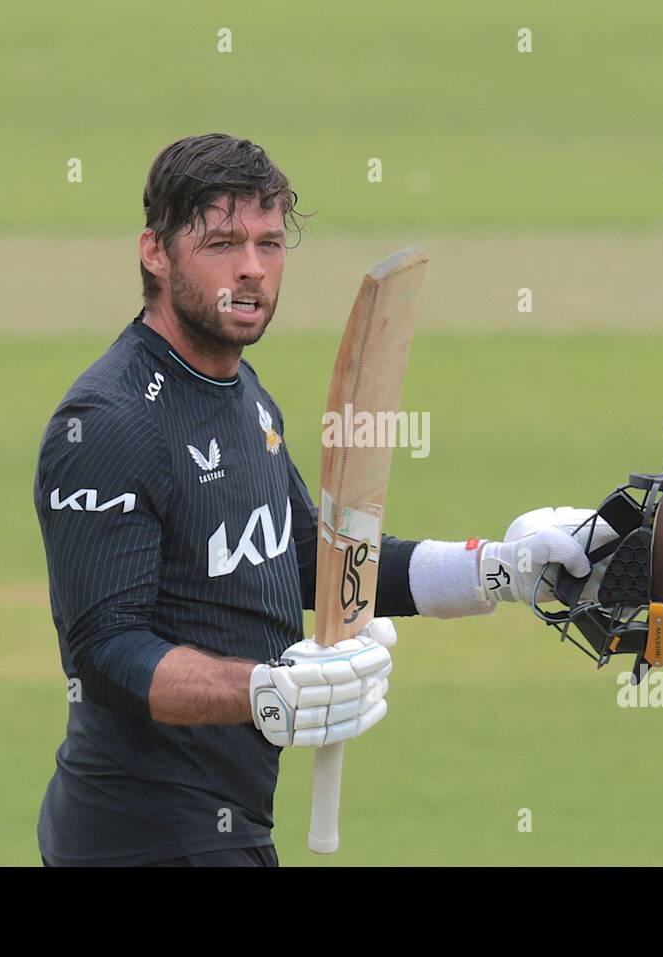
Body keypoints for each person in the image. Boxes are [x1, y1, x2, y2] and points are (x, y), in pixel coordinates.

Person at [33, 133, 598, 866]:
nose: (251, 268)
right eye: (222, 242)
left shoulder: (242, 394)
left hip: (225, 829)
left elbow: (316, 561)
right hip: (138, 841)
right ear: (155, 251)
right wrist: (271, 689)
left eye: (270, 244)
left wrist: (498, 570)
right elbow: (106, 655)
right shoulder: (109, 425)